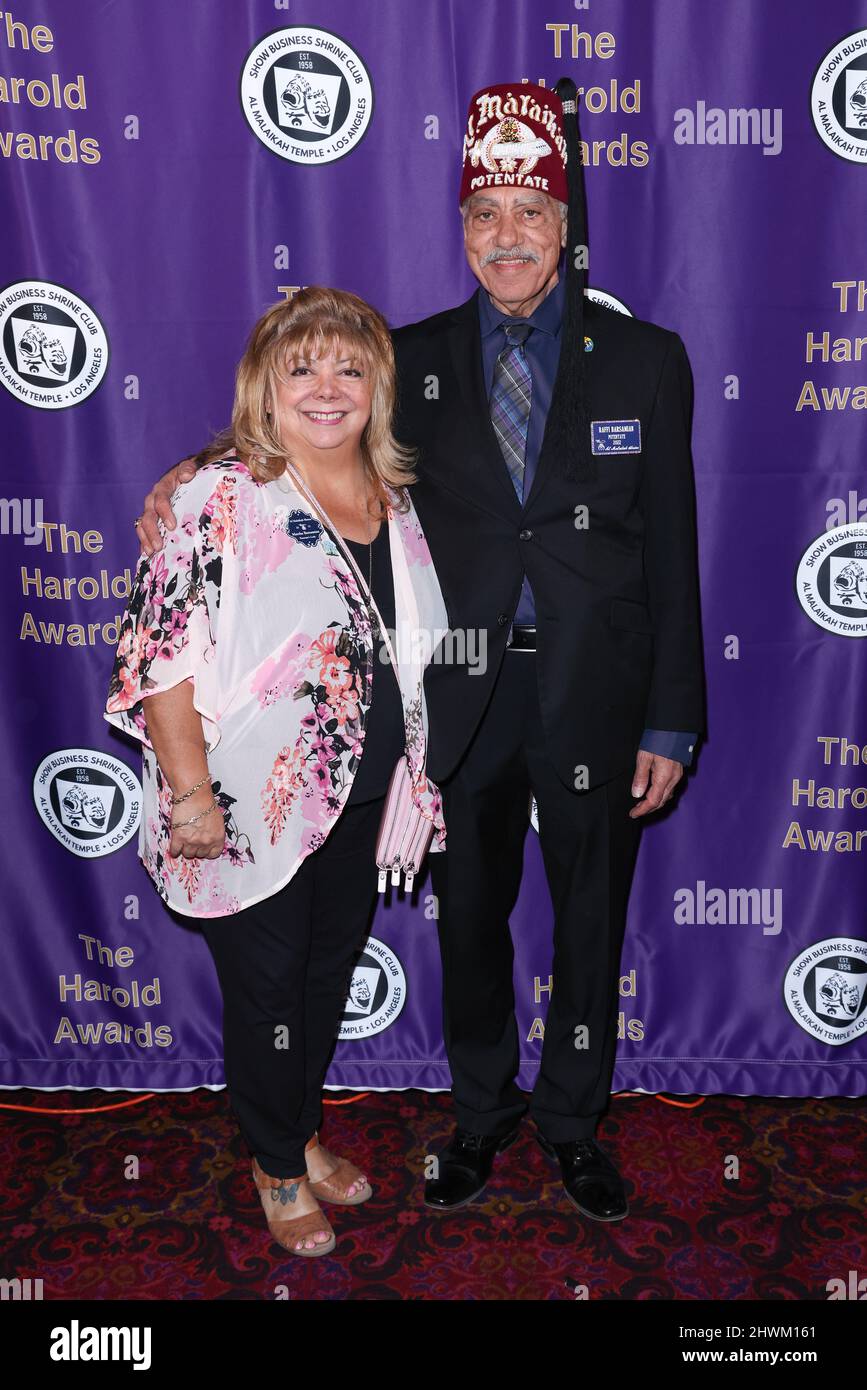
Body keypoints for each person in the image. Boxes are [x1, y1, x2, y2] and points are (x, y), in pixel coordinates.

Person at [136, 79, 706, 1224]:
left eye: (529, 212)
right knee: (470, 915)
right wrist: (179, 479)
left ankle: (574, 1124)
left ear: (564, 226)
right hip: (461, 703)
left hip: (598, 691)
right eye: (484, 214)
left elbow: (676, 549)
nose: (507, 236)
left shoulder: (647, 361)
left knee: (592, 921)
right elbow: (302, 439)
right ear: (461, 231)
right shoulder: (411, 358)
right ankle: (485, 1116)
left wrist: (670, 717)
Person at [106, 287, 448, 1255]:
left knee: (319, 979)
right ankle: (276, 1164)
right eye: (302, 367)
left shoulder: (397, 497)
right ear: (264, 384)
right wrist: (190, 796)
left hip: (364, 797)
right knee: (267, 994)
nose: (327, 387)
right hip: (248, 804)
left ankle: (296, 1128)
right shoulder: (223, 496)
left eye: (349, 366)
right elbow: (161, 658)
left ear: (379, 384)